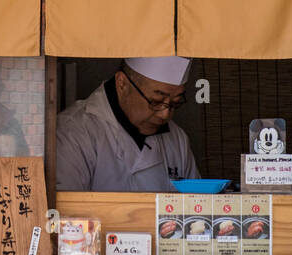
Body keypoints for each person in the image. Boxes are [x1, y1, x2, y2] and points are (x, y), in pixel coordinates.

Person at [56, 57, 199, 191]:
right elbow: (66, 213)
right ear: (122, 83)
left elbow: (196, 206)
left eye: (175, 103)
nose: (165, 114)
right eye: (156, 101)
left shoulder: (177, 139)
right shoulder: (73, 132)